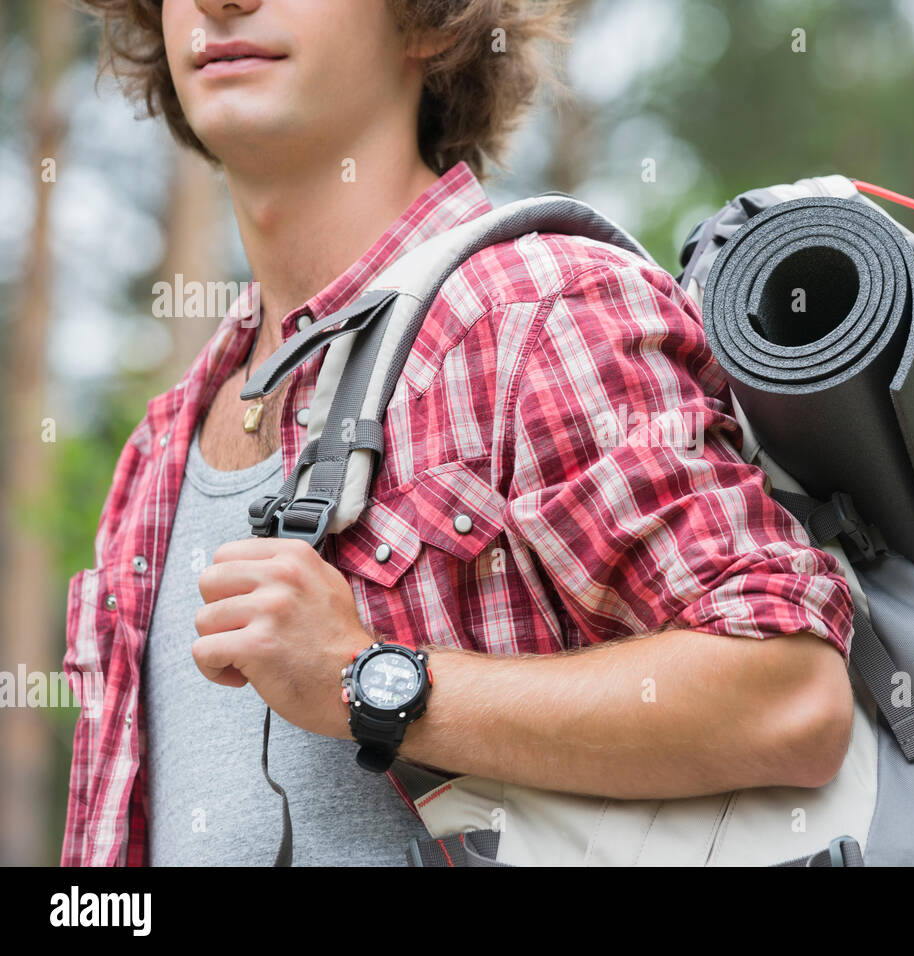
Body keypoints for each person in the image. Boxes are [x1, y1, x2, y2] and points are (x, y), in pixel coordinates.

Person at [64, 0, 855, 866]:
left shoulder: (533, 310)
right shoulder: (160, 445)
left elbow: (790, 695)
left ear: (429, 22)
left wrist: (367, 678)